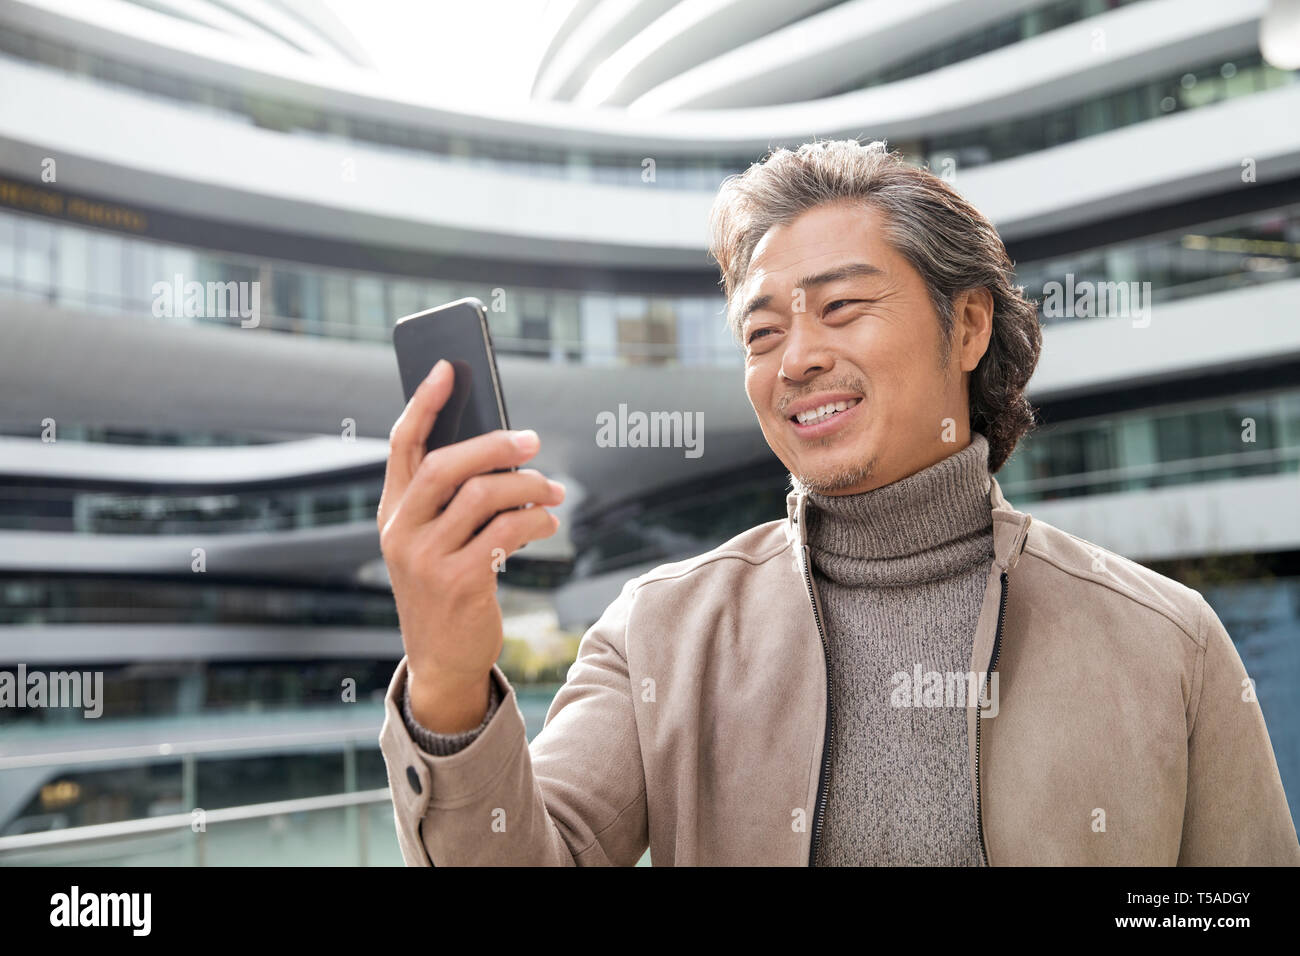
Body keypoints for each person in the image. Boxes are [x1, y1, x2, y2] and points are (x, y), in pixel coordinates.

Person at [375, 139, 1299, 866]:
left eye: (843, 307)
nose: (797, 357)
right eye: (763, 330)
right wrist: (449, 684)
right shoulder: (656, 632)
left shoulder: (1169, 640)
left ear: (968, 324)